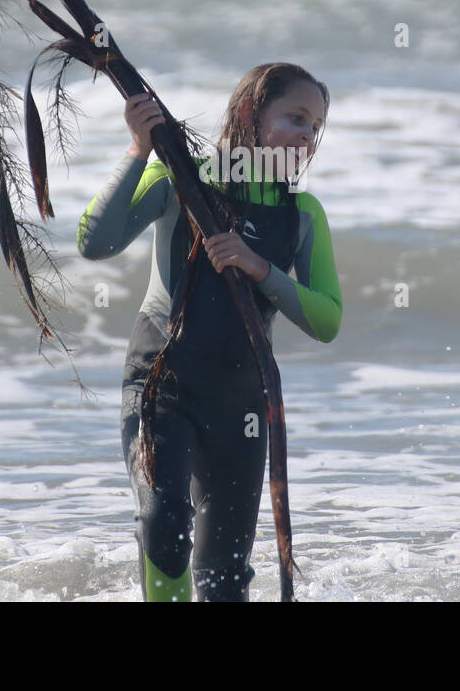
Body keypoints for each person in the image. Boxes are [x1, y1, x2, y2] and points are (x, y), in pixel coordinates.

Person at [78, 63, 342, 601]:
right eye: (295, 118)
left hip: (243, 404)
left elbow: (327, 320)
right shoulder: (182, 178)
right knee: (163, 522)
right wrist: (137, 151)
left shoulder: (302, 214)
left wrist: (259, 268)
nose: (307, 137)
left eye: (315, 127)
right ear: (250, 113)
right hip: (162, 383)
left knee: (223, 575)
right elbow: (95, 242)